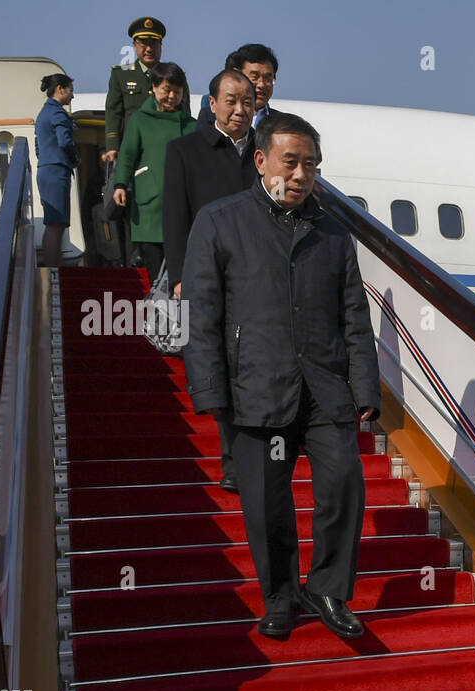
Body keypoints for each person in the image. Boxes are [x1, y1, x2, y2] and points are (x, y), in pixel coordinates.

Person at [182, 113, 381, 639]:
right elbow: (201, 315)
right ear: (261, 160)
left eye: (310, 165)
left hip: (324, 390)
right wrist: (211, 390)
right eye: (289, 162)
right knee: (267, 502)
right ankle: (281, 596)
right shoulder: (221, 221)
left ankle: (328, 589)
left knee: (343, 484)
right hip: (257, 388)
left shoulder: (334, 234)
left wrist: (365, 388)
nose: (299, 174)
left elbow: (354, 316)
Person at [163, 69, 257, 493]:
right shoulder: (184, 151)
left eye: (248, 102)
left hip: (260, 278)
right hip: (210, 278)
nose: (240, 110)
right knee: (221, 365)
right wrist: (181, 276)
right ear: (212, 104)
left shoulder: (266, 151)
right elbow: (175, 218)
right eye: (231, 101)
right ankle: (234, 462)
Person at [112, 62, 195, 282]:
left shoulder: (191, 126)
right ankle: (157, 312)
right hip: (151, 205)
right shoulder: (140, 120)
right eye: (166, 90)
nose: (171, 96)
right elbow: (127, 154)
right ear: (154, 88)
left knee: (181, 273)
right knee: (155, 273)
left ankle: (180, 315)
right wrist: (120, 185)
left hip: (183, 206)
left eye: (177, 92)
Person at [102, 16, 189, 166]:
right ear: (134, 45)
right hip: (132, 148)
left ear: (161, 46)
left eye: (154, 43)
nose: (149, 49)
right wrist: (112, 145)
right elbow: (113, 112)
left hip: (166, 147)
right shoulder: (120, 74)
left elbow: (185, 113)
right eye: (143, 43)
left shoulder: (175, 76)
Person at [35, 73, 76, 266]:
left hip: (45, 168)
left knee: (52, 223)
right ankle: (53, 269)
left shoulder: (43, 113)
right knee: (56, 224)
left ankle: (52, 267)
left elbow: (38, 146)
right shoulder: (57, 112)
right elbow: (65, 141)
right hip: (56, 170)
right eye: (71, 91)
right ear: (60, 89)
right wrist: (75, 158)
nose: (72, 96)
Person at [197, 44, 281, 130]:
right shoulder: (210, 116)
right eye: (254, 77)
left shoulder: (281, 123)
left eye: (268, 79)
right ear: (237, 75)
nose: (261, 85)